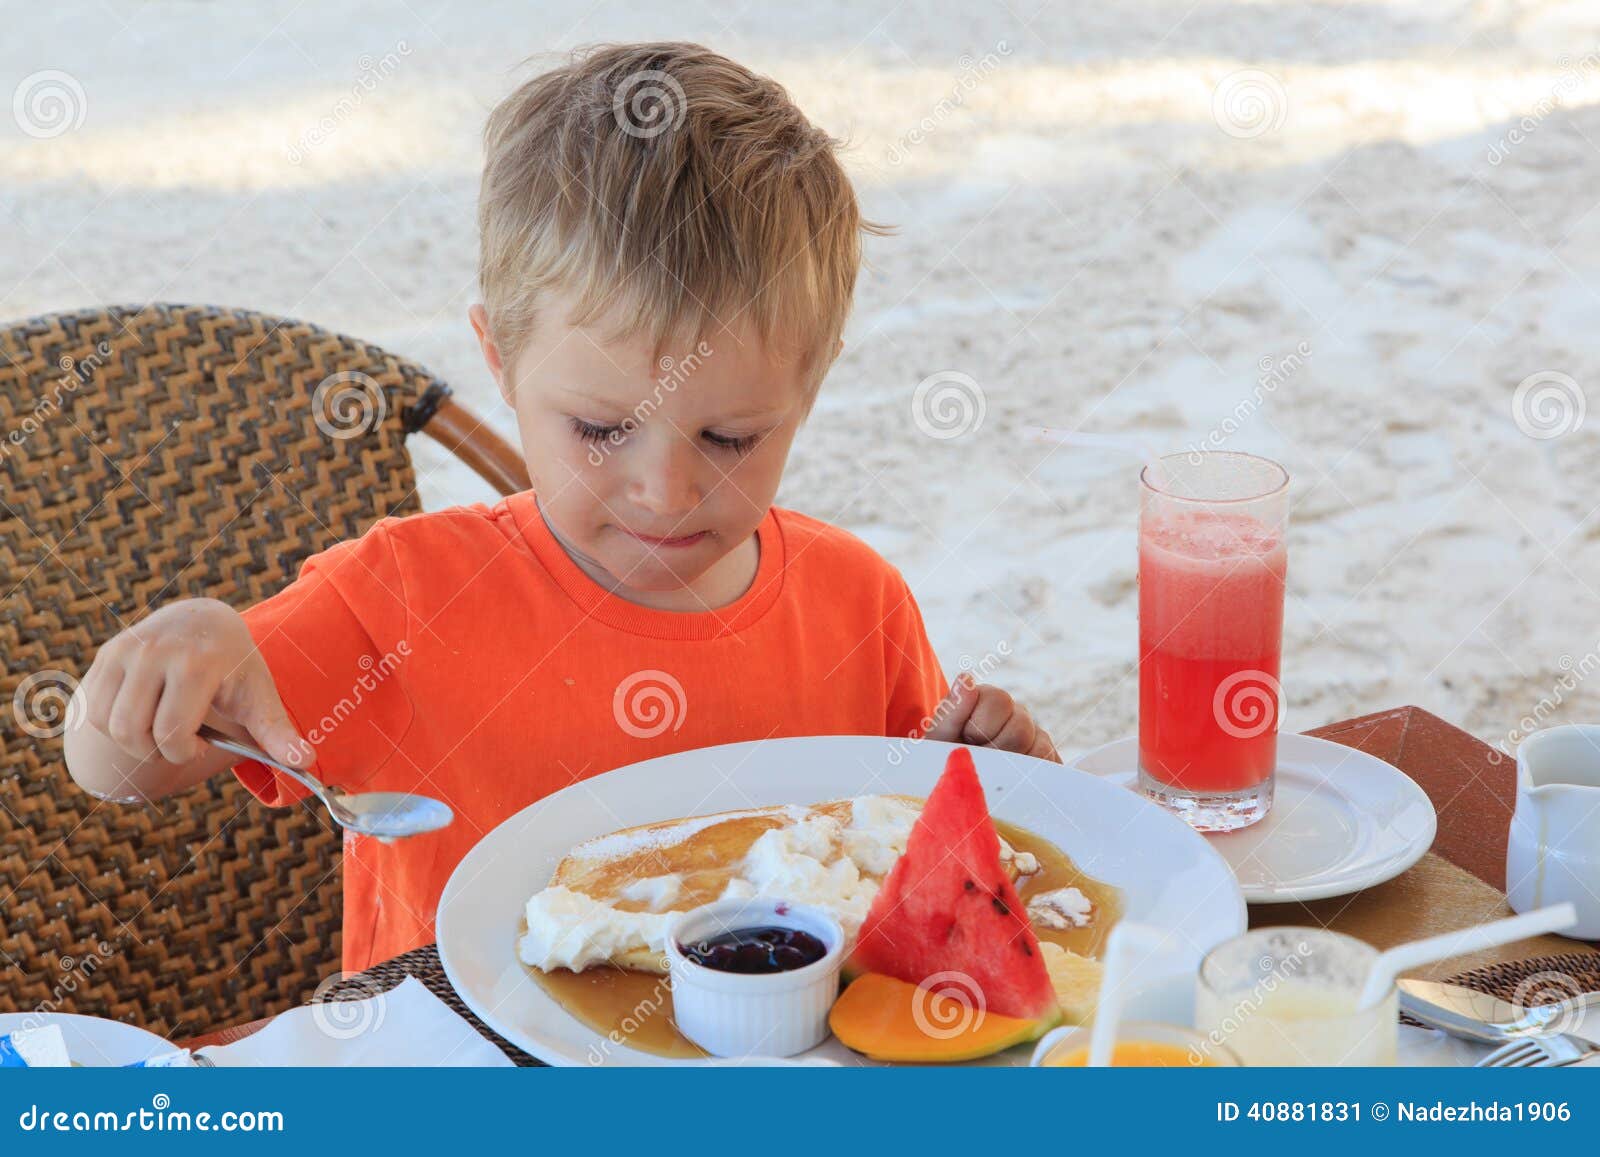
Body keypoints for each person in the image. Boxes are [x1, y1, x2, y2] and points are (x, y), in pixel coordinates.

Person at [64, 42, 1059, 973]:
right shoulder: (400, 595)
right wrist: (162, 671)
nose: (664, 492)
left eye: (729, 438)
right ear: (498, 355)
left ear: (810, 385)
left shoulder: (857, 603)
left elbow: (924, 861)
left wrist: (1004, 784)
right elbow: (118, 772)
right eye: (598, 428)